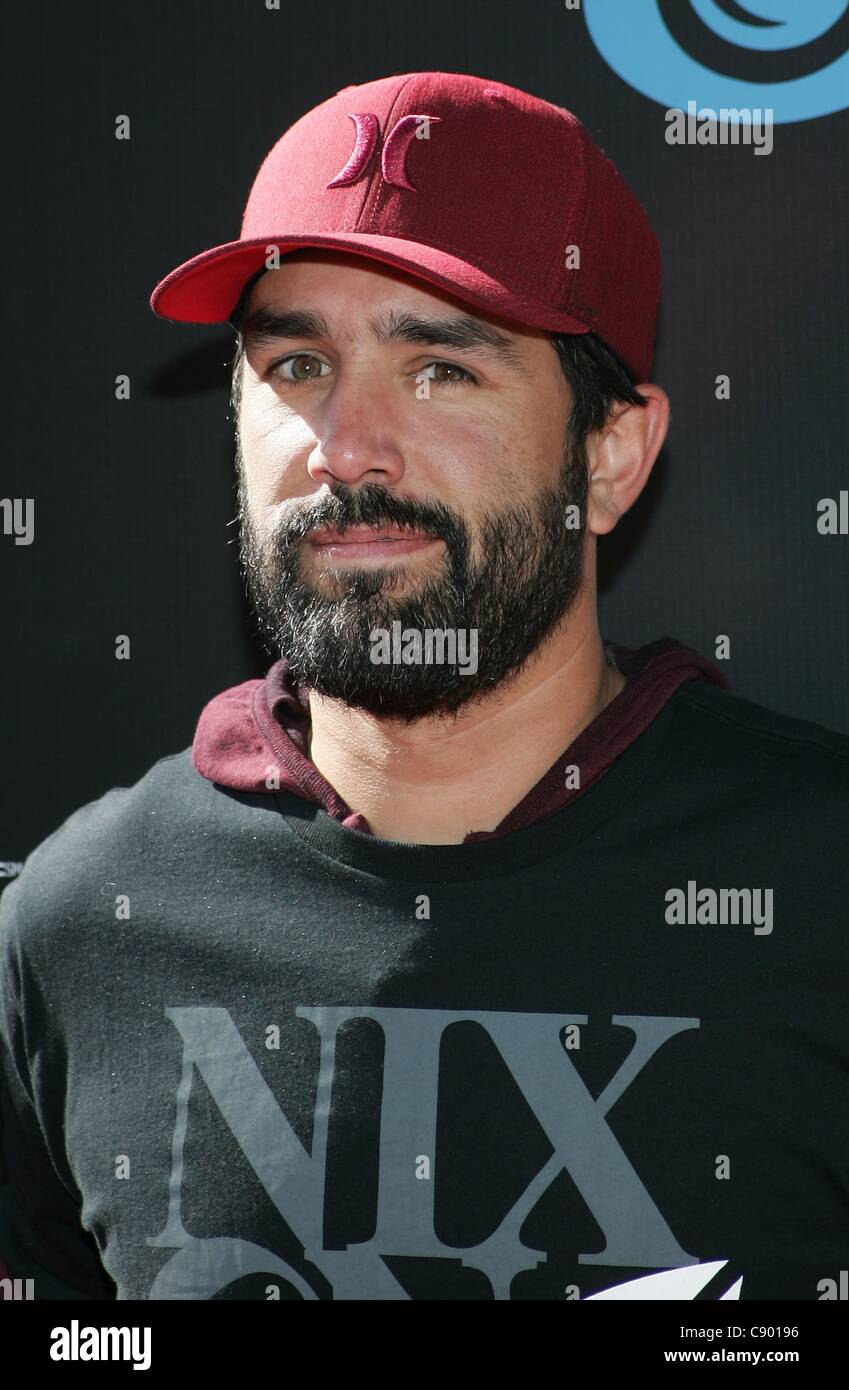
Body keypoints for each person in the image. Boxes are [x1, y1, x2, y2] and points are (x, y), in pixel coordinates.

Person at [1, 70, 847, 1303]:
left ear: (610, 457)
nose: (346, 446)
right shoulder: (77, 925)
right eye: (296, 364)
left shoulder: (818, 888)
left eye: (440, 369)